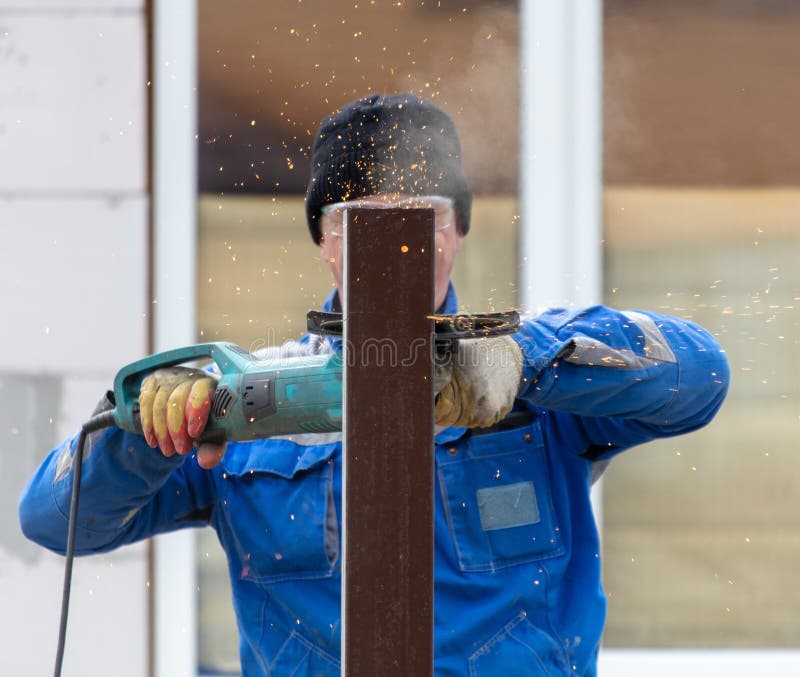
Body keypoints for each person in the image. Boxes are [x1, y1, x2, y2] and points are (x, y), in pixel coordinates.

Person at [19, 93, 730, 676]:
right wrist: (145, 433)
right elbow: (54, 518)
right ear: (324, 240)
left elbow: (701, 374)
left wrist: (521, 359)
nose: (397, 245)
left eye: (424, 218)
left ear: (457, 231)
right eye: (359, 221)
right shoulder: (253, 401)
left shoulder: (535, 390)